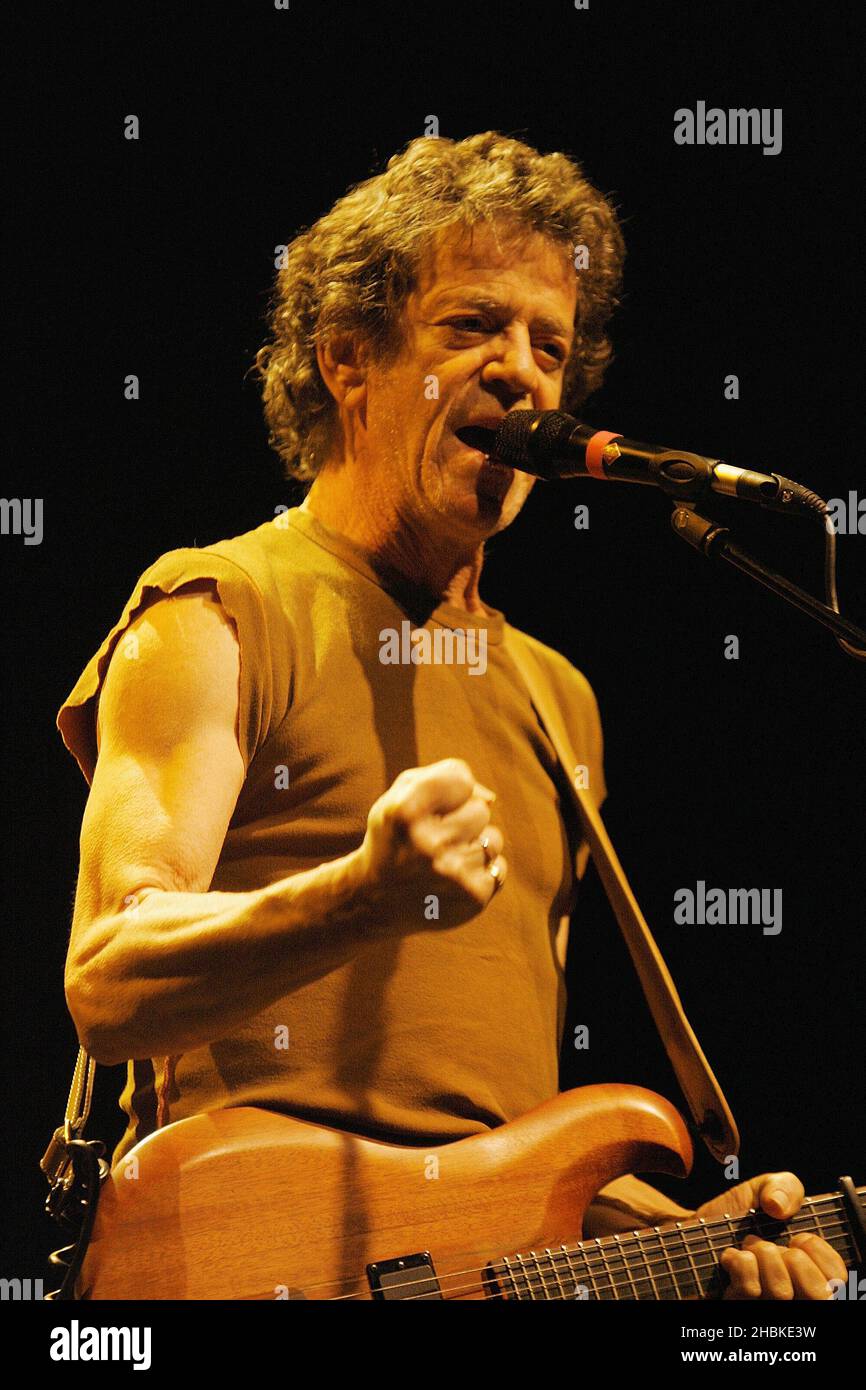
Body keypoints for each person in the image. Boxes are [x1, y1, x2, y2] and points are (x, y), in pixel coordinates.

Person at [58, 132, 845, 1300]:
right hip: (231, 1257)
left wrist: (685, 1232)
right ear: (345, 359)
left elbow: (500, 1134)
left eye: (550, 345)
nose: (522, 371)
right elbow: (111, 978)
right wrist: (358, 898)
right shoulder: (217, 609)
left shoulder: (556, 699)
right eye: (472, 325)